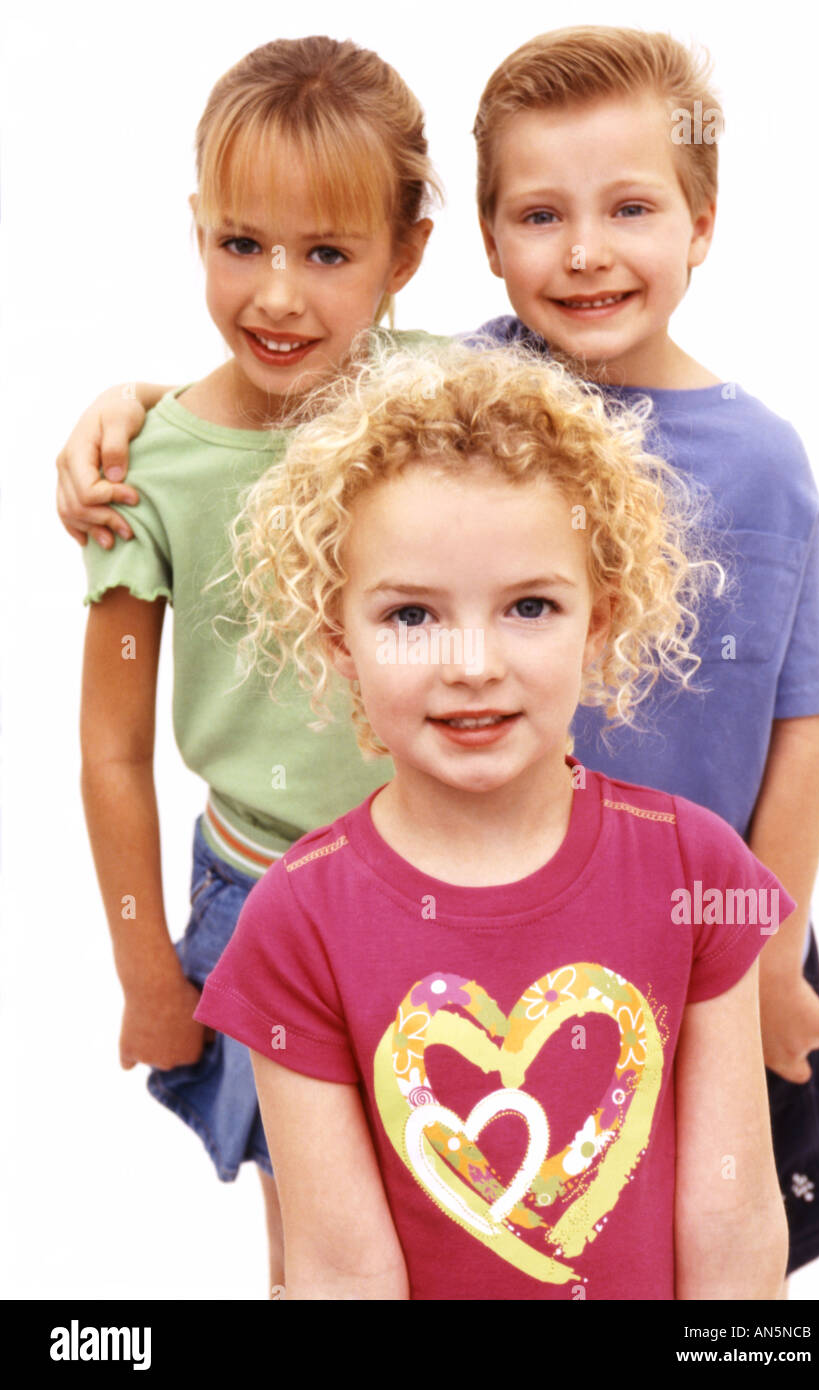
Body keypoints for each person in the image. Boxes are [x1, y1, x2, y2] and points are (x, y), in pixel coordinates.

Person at [193, 342, 792, 1300]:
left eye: (527, 606)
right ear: (336, 639)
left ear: (598, 619)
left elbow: (730, 1218)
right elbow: (341, 1272)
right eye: (411, 617)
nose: (472, 663)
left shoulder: (694, 868)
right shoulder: (296, 920)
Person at [470, 24, 819, 1284]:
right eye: (540, 213)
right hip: (493, 943)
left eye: (630, 207)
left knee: (723, 1259)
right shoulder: (449, 404)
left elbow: (799, 729)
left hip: (716, 943)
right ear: (487, 238)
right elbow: (273, 398)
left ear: (701, 222)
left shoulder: (763, 461)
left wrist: (774, 952)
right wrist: (125, 410)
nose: (585, 252)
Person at [76, 34, 441, 1292]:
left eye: (328, 254)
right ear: (197, 229)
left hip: (450, 877)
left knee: (463, 1217)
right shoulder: (150, 473)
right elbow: (112, 752)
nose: (277, 295)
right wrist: (143, 969)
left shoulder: (444, 395)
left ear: (408, 256)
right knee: (317, 1249)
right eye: (243, 244)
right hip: (264, 900)